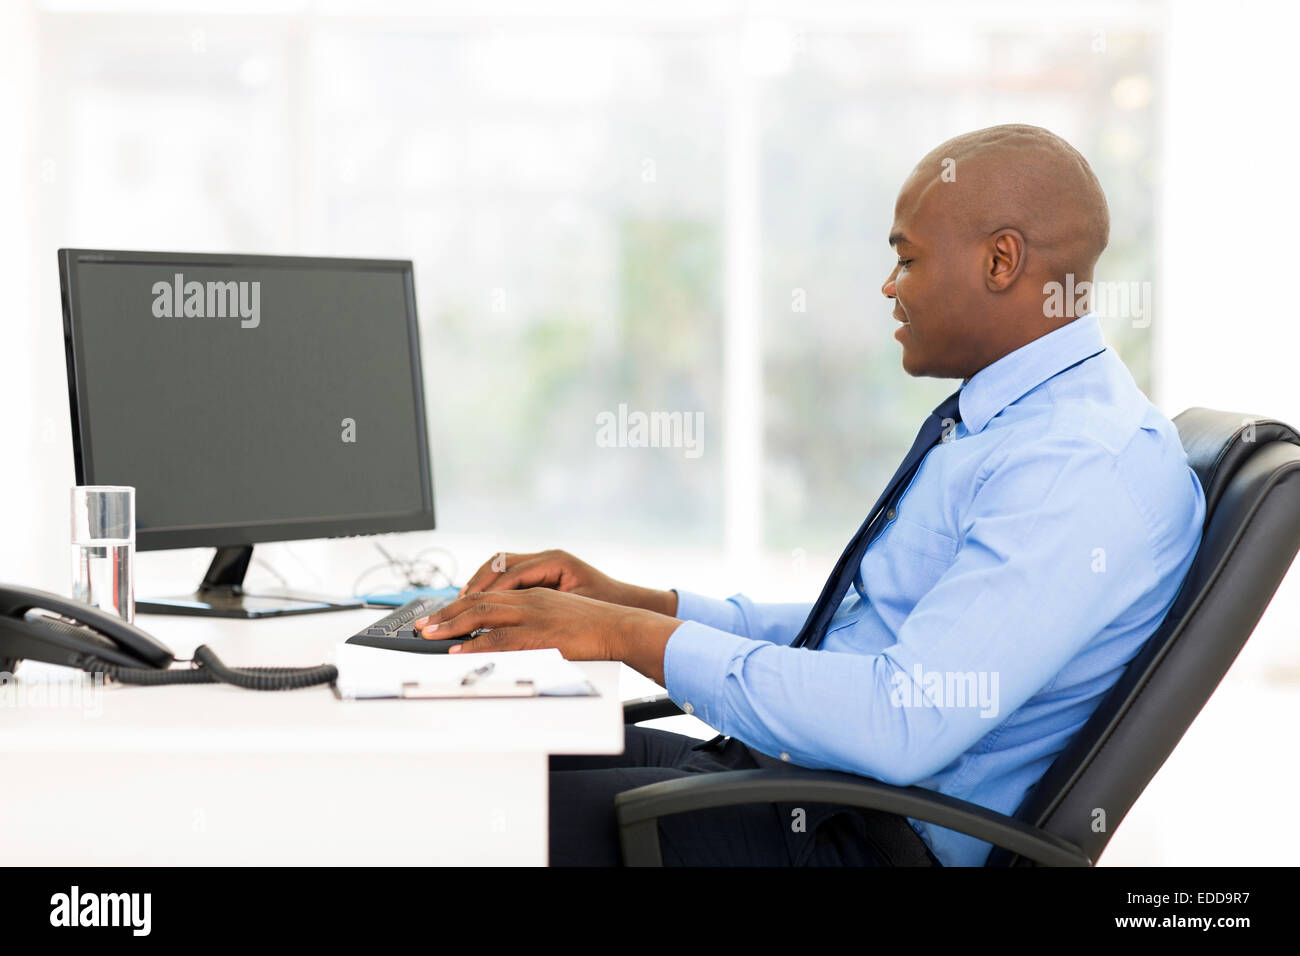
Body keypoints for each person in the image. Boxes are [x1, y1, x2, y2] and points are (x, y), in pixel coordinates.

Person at [413, 124, 1206, 866]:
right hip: (800, 782)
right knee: (462, 762)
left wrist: (620, 634)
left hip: (848, 834)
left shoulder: (1077, 464)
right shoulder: (1023, 425)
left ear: (1000, 263)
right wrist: (638, 603)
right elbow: (866, 632)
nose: (889, 286)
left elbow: (900, 718)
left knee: (442, 820)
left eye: (908, 258)